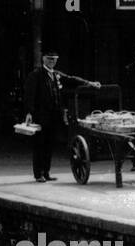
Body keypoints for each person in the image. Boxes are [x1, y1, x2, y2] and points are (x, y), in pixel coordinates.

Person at [24, 49, 100, 182]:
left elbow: (71, 79)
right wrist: (29, 112)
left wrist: (89, 83)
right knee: (39, 145)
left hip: (53, 115)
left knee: (49, 144)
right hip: (40, 116)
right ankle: (38, 174)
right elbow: (30, 95)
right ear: (43, 59)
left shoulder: (56, 74)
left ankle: (46, 172)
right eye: (49, 59)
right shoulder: (36, 75)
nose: (51, 61)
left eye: (54, 59)